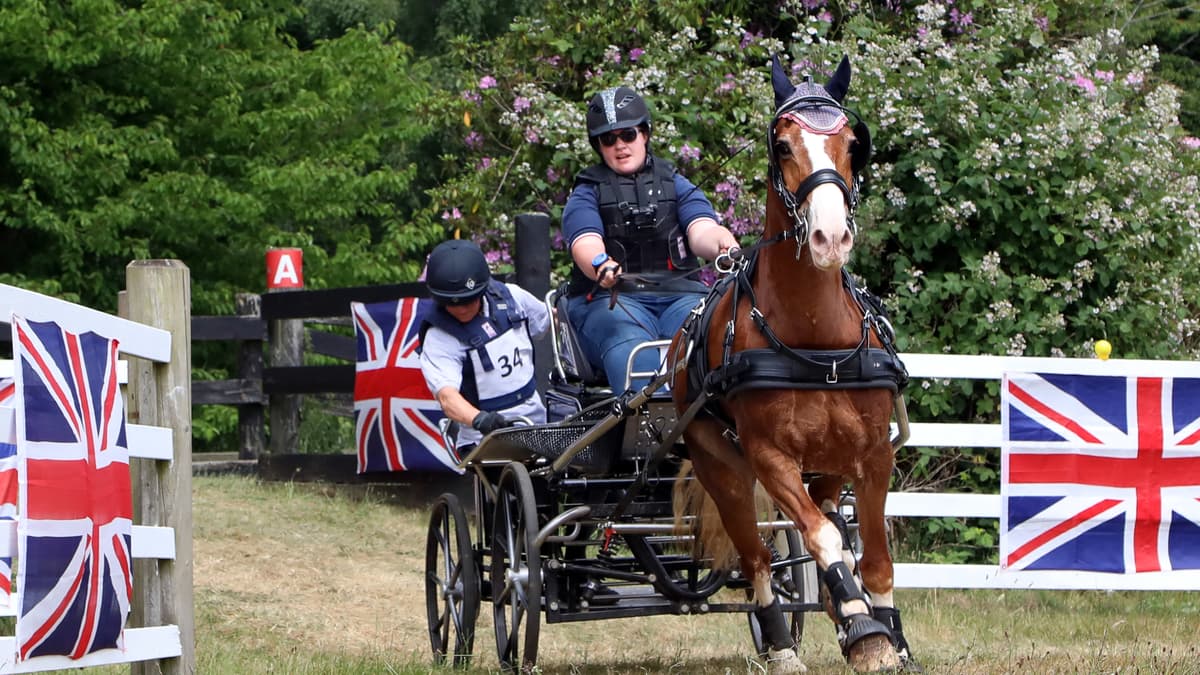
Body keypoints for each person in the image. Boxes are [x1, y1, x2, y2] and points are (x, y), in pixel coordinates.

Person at [561, 85, 740, 392]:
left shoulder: (676, 183)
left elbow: (702, 230)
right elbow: (585, 240)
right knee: (631, 348)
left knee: (713, 338)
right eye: (608, 139)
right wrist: (599, 263)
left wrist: (724, 244)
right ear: (599, 146)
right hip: (611, 301)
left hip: (680, 295)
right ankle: (646, 433)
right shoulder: (586, 192)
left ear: (644, 134)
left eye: (628, 135)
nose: (620, 145)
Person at [418, 239, 549, 451]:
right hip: (482, 438)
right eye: (451, 303)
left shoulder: (512, 298)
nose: (460, 309)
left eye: (468, 300)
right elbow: (447, 396)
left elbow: (549, 320)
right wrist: (480, 420)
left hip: (537, 421)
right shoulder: (438, 337)